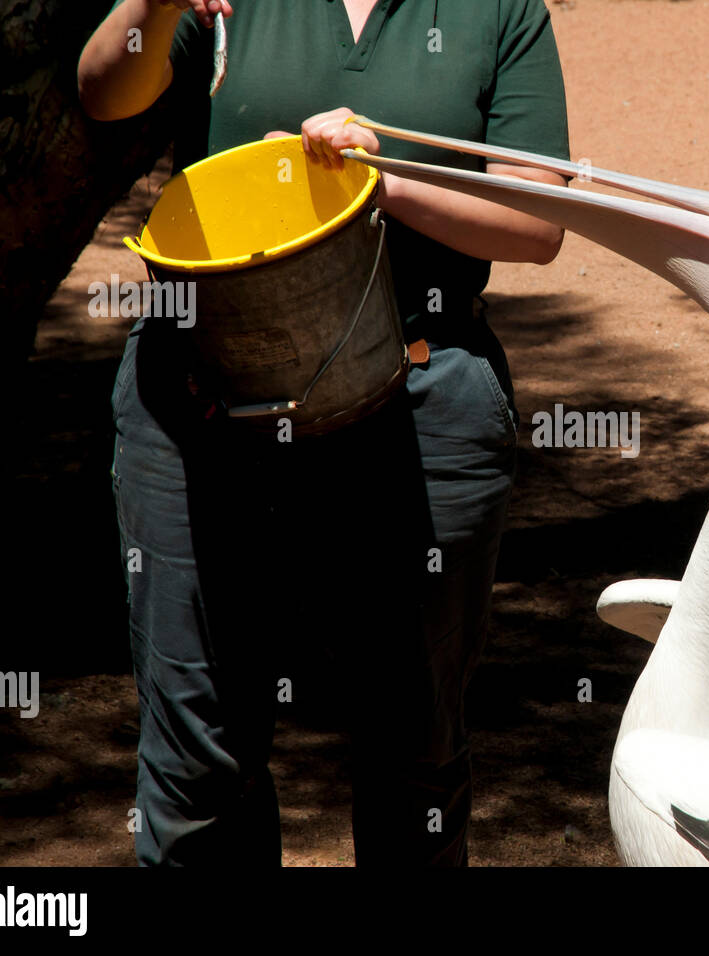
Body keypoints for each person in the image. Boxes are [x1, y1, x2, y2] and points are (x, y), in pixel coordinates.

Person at [77, 0, 569, 866]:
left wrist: (386, 185)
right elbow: (103, 91)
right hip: (200, 405)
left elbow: (537, 224)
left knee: (413, 758)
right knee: (199, 768)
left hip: (422, 399)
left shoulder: (499, 9)